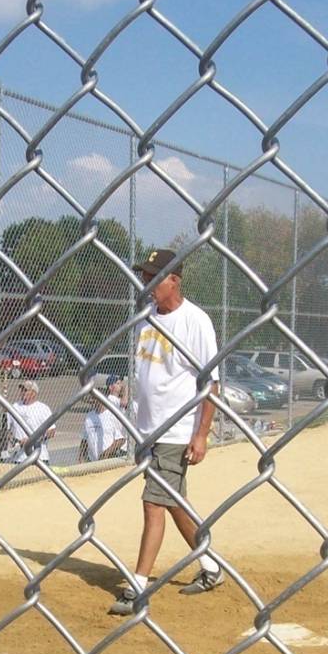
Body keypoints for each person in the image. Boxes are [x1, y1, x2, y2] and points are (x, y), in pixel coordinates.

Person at [108, 249, 224, 616]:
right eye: (145, 277)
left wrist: (201, 433)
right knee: (172, 502)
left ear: (175, 279)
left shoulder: (196, 321)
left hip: (177, 429)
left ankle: (138, 585)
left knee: (153, 502)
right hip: (146, 430)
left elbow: (211, 384)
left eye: (154, 277)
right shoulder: (146, 321)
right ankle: (211, 566)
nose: (148, 284)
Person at [80, 375, 130, 462]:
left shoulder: (111, 413)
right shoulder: (111, 398)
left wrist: (107, 453)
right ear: (110, 387)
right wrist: (126, 388)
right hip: (96, 457)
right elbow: (124, 402)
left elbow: (121, 439)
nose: (120, 385)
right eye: (118, 383)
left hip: (112, 450)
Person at [4, 380, 55, 464]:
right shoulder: (15, 407)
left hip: (39, 457)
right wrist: (13, 440)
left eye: (26, 390)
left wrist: (33, 440)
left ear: (34, 393)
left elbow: (51, 431)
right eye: (22, 390)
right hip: (19, 458)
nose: (23, 392)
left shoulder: (43, 408)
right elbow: (6, 428)